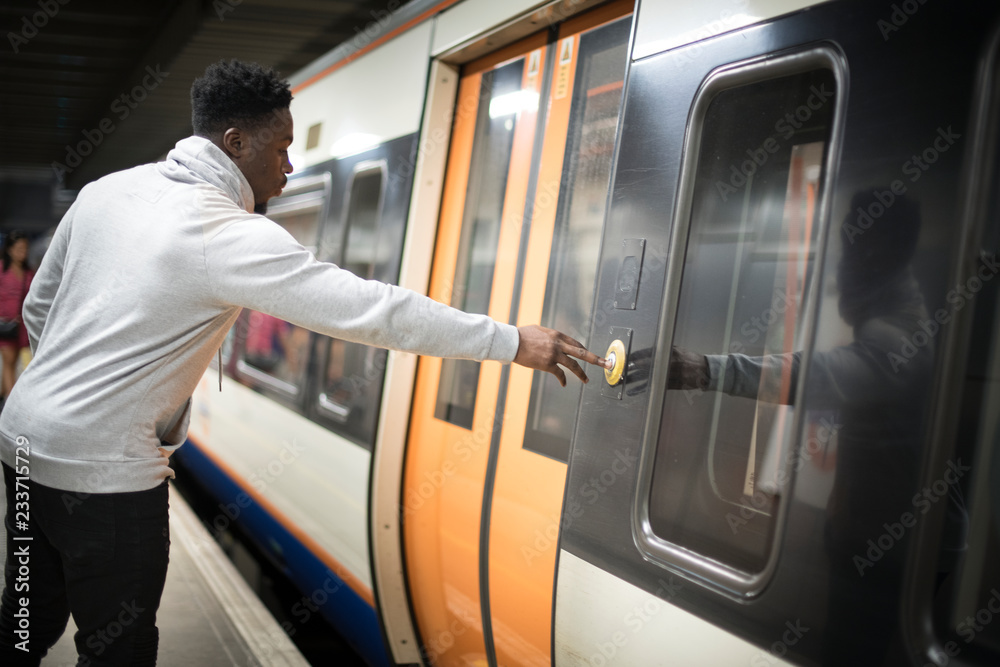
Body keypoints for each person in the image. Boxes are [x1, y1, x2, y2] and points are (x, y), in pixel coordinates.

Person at [0, 59, 607, 667]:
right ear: (235, 142)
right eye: (282, 147)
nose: (288, 166)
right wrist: (509, 341)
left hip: (23, 444)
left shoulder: (105, 190)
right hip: (107, 475)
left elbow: (40, 305)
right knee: (118, 649)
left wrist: (67, 391)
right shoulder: (225, 233)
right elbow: (371, 310)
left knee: (26, 618)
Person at [0, 231, 33, 402]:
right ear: (10, 250)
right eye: (19, 248)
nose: (23, 252)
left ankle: (7, 398)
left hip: (22, 327)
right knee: (9, 361)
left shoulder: (29, 273)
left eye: (25, 248)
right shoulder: (1, 269)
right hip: (5, 325)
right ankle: (9, 402)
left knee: (18, 363)